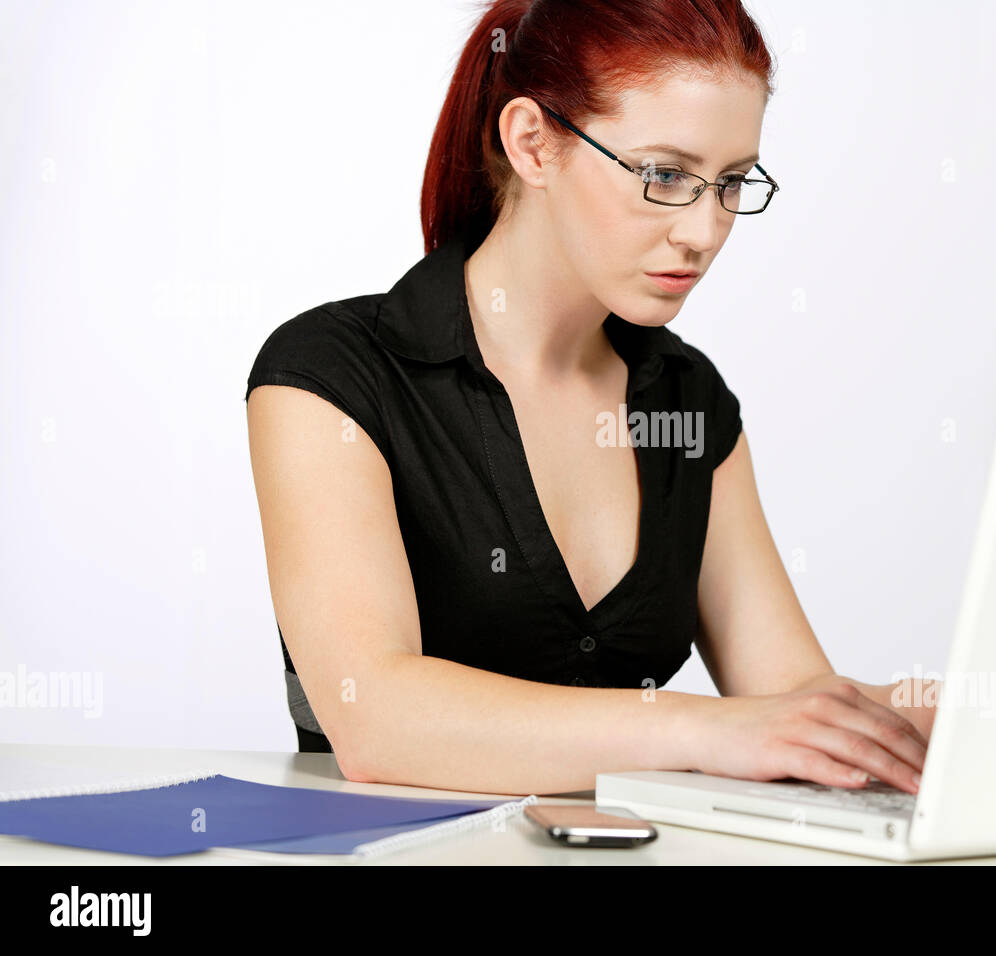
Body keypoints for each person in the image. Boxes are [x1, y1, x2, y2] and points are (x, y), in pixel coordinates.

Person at [245, 0, 938, 796]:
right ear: (532, 143)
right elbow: (376, 718)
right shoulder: (334, 374)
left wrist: (989, 708)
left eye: (732, 183)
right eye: (665, 175)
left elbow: (792, 700)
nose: (704, 232)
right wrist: (699, 729)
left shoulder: (687, 401)